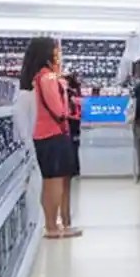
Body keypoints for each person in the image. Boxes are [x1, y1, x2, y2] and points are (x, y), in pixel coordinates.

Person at [19, 37, 81, 239]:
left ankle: (54, 224)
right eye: (55, 52)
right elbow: (59, 109)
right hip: (53, 134)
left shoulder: (39, 78)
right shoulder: (47, 78)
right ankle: (52, 226)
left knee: (52, 180)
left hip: (47, 135)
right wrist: (63, 90)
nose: (58, 56)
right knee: (54, 181)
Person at [64, 72, 83, 227]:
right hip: (75, 123)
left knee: (73, 147)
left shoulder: (70, 93)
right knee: (75, 146)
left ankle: (73, 169)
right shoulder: (75, 92)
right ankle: (75, 169)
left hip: (71, 123)